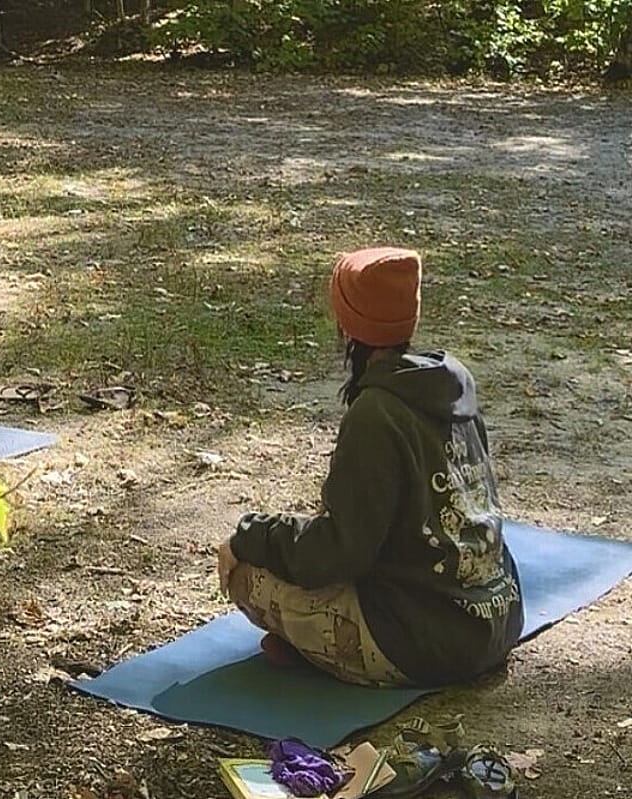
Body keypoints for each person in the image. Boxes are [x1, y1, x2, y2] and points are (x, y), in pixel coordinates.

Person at [216, 247, 523, 688]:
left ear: (348, 324)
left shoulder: (376, 413)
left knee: (244, 571)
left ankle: (331, 652)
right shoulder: (454, 387)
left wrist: (252, 534)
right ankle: (321, 646)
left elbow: (337, 554)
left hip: (427, 646)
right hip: (495, 623)